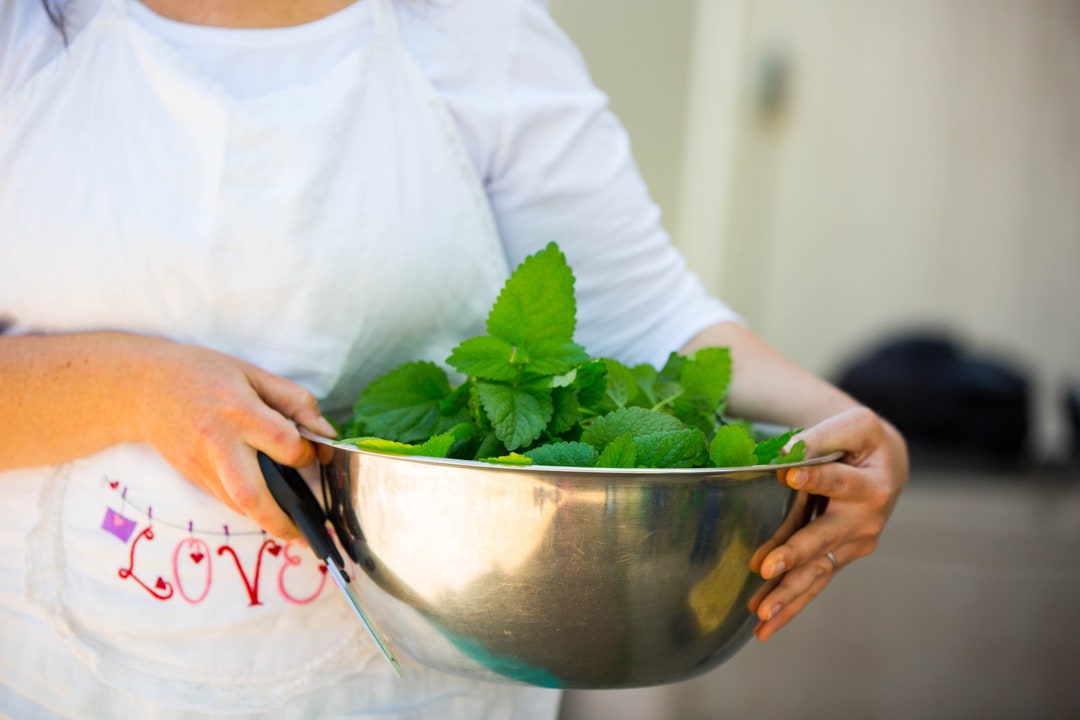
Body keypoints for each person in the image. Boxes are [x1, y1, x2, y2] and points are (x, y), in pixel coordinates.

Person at [0, 0, 908, 717]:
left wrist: (841, 429)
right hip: (54, 683)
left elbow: (652, 311)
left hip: (410, 692)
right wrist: (138, 386)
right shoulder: (25, 30)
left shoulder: (476, 29)